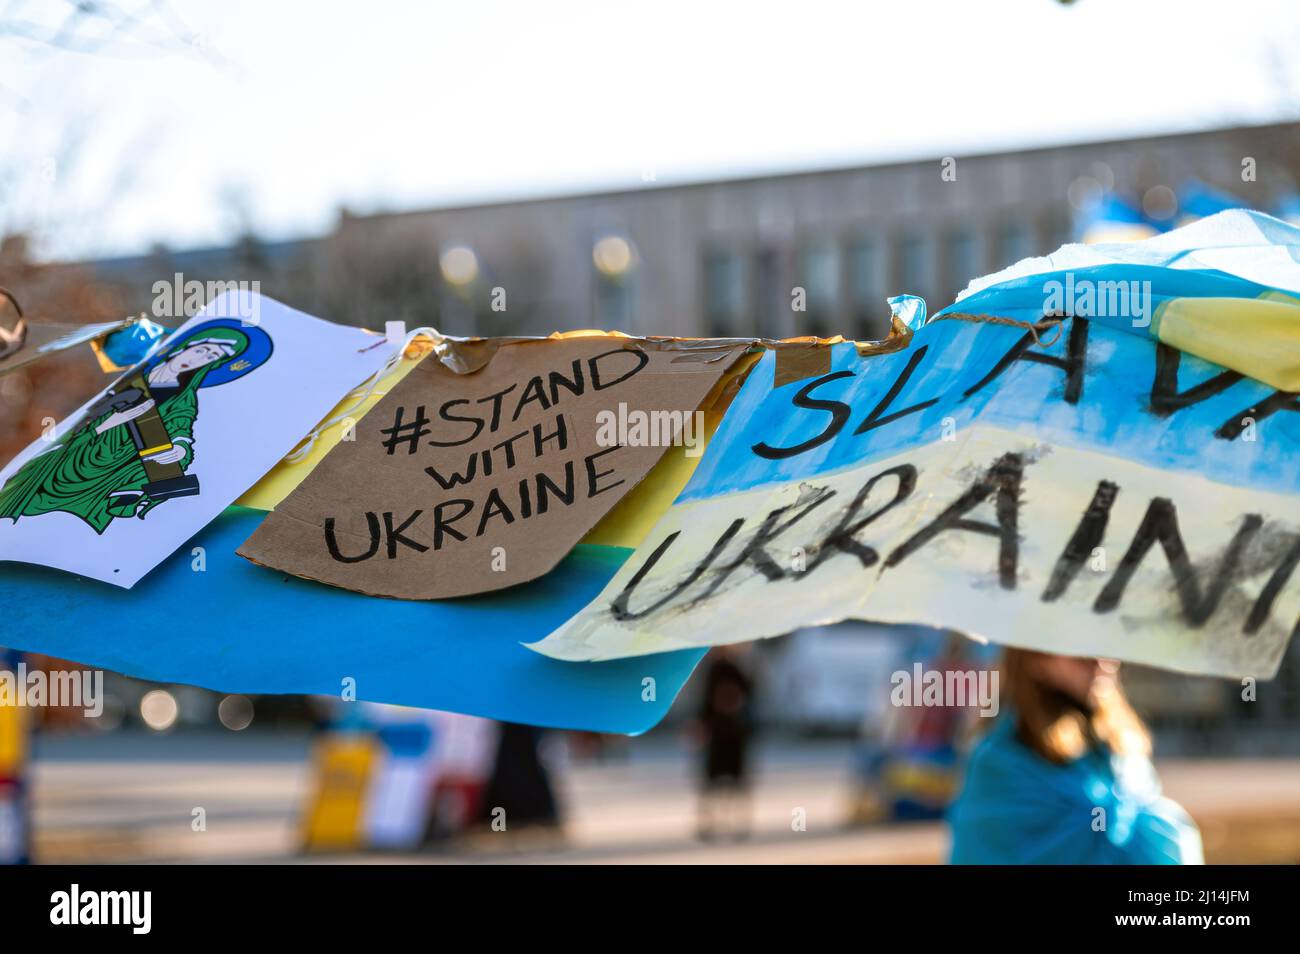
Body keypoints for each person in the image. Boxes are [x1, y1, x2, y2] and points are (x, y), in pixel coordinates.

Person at [948, 648, 1203, 864]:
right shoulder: (998, 766)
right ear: (1036, 657)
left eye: (1109, 648)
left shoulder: (1118, 747)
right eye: (1084, 653)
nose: (1103, 663)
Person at [693, 645, 755, 841]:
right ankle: (711, 823)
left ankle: (737, 824)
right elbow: (705, 702)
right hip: (719, 733)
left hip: (732, 734)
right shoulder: (715, 669)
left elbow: (749, 696)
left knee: (734, 782)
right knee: (713, 783)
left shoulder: (735, 668)